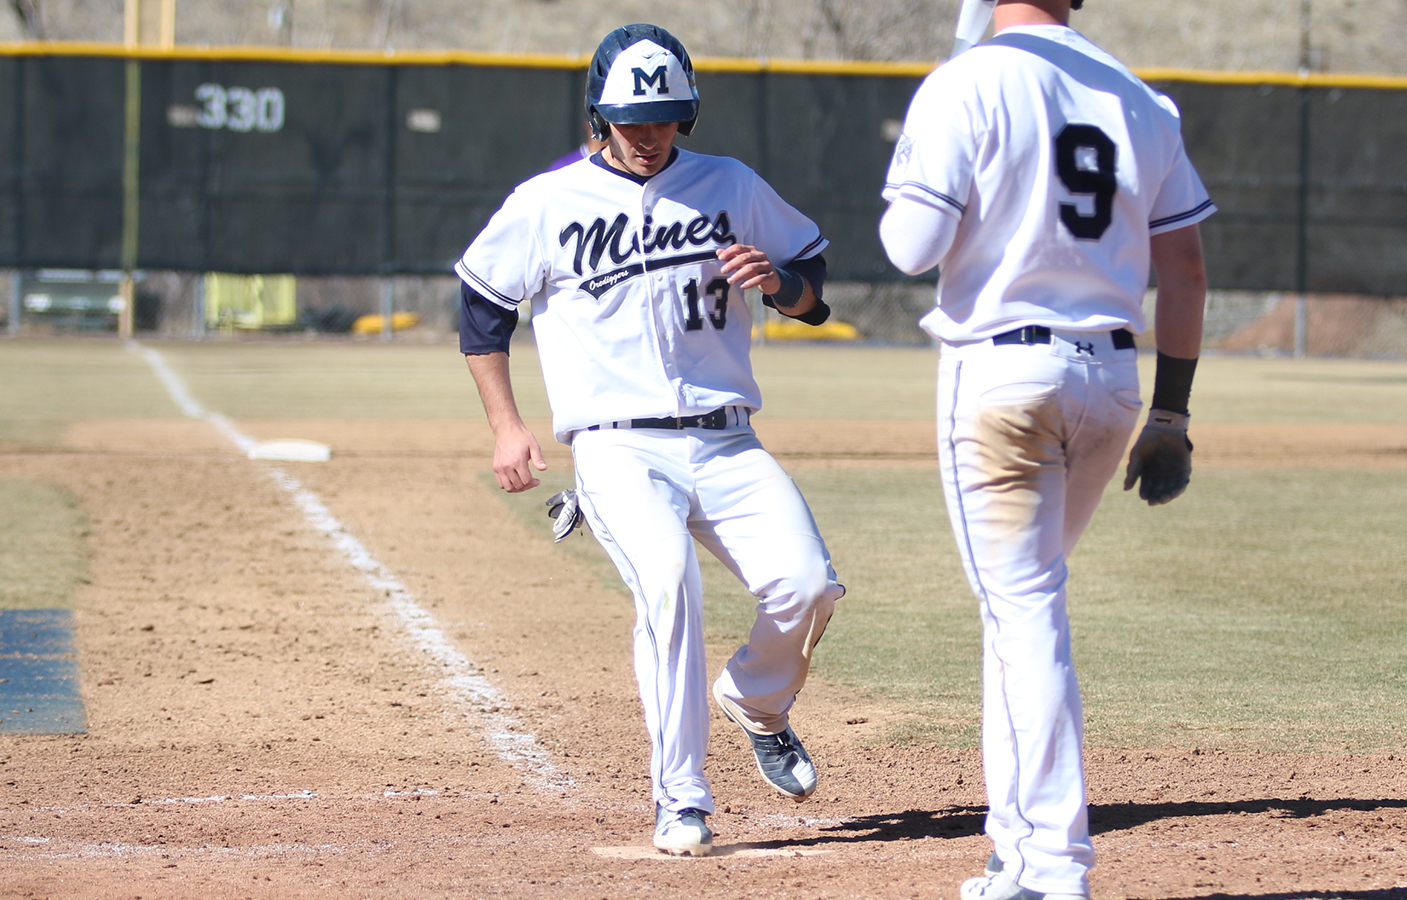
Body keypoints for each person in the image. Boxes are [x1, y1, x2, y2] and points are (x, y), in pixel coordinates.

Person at [457, 23, 845, 857]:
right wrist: (506, 426)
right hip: (617, 448)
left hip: (728, 439)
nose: (647, 133)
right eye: (631, 119)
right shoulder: (548, 201)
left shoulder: (728, 183)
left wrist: (781, 285)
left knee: (809, 585)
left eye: (664, 116)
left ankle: (757, 699)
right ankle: (682, 799)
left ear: (686, 115)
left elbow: (813, 289)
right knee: (669, 587)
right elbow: (483, 308)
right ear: (600, 116)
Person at [879, 1, 1213, 898]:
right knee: (1019, 609)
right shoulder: (1142, 99)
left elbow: (909, 247)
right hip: (1113, 382)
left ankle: (1052, 868)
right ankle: (1013, 850)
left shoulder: (964, 82)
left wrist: (916, 156)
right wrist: (1172, 416)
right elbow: (1185, 270)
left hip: (1002, 376)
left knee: (1023, 609)